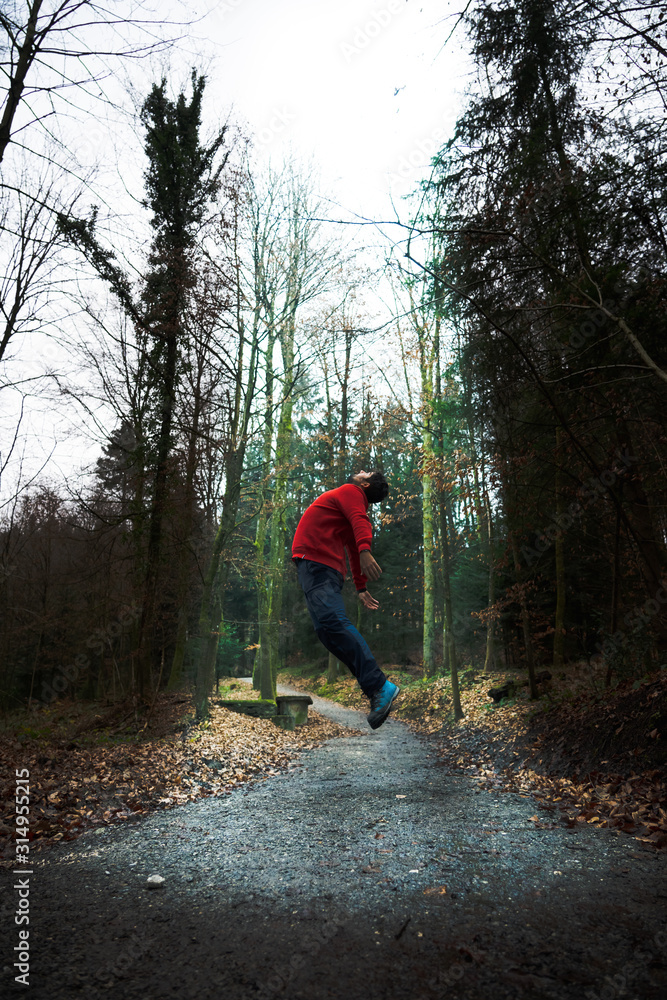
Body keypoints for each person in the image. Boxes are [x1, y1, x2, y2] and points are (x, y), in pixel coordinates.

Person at [292, 469, 400, 730]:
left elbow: (360, 525)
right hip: (316, 567)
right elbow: (352, 548)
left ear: (364, 483)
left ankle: (380, 686)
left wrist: (366, 548)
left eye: (366, 472)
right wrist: (361, 588)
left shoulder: (352, 493)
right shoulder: (350, 503)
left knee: (334, 624)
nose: (360, 470)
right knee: (327, 633)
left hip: (318, 565)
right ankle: (375, 691)